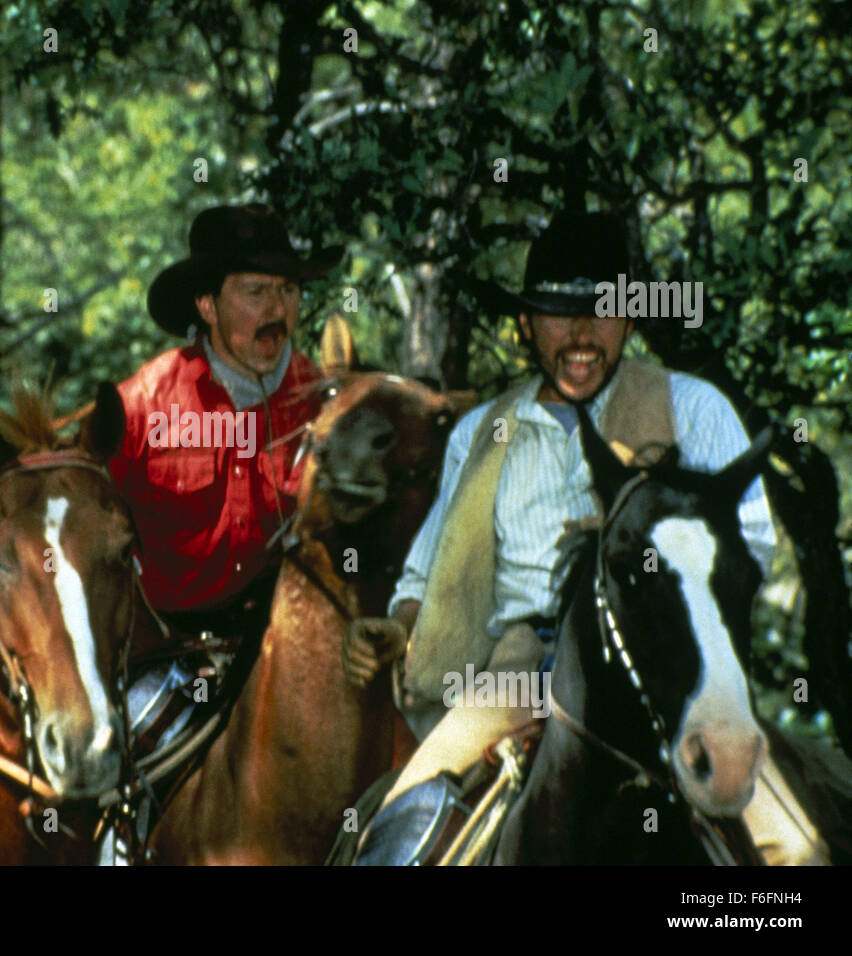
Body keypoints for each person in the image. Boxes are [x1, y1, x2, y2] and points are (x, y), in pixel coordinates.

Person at [342, 210, 827, 865]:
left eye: (601, 311)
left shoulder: (695, 407)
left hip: (673, 667)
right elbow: (424, 572)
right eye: (557, 312)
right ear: (526, 323)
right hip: (516, 671)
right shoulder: (482, 433)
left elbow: (747, 548)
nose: (579, 334)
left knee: (795, 851)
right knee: (393, 844)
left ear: (629, 318)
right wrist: (398, 627)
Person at [109, 204, 342, 646]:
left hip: (288, 648)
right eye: (256, 292)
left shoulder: (323, 406)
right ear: (207, 305)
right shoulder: (142, 405)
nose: (277, 310)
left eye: (288, 290)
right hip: (161, 649)